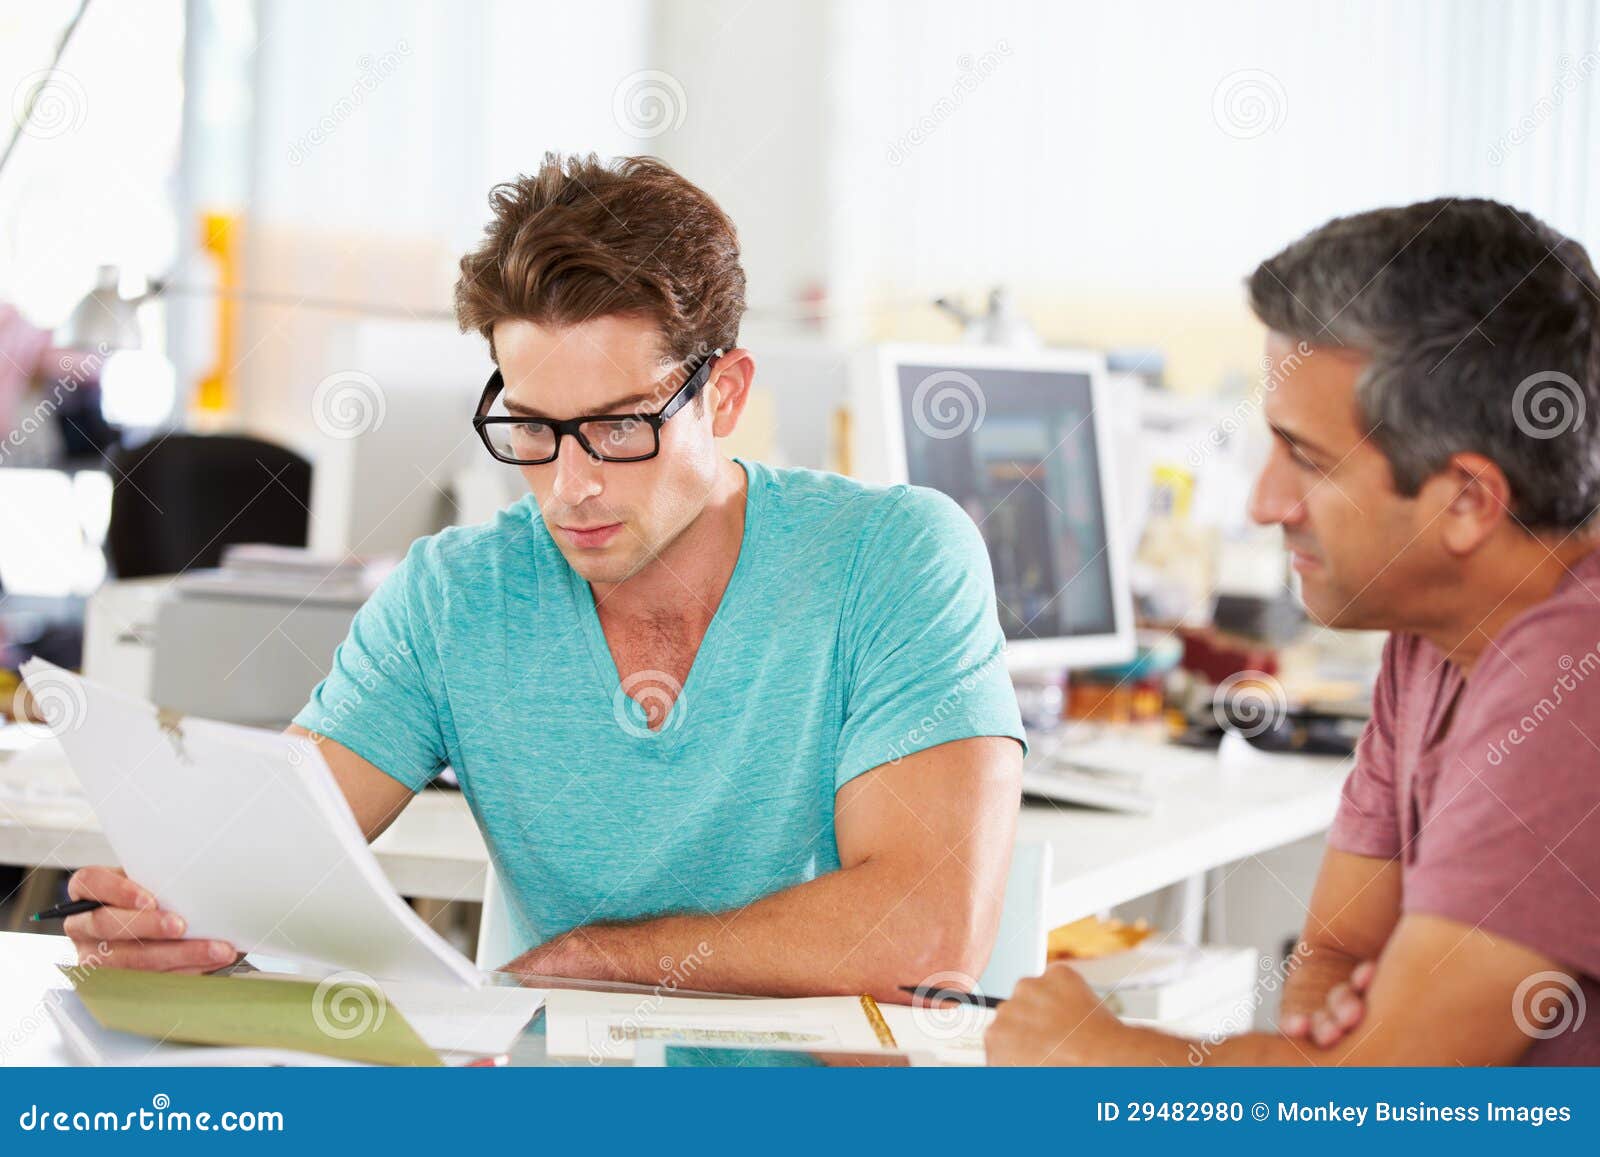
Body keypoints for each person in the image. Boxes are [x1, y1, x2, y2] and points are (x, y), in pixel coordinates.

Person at [64, 154, 1026, 1000]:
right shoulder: (454, 595)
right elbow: (276, 852)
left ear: (724, 393)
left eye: (619, 427)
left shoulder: (893, 557)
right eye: (531, 427)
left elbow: (926, 932)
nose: (570, 488)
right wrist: (179, 911)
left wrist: (595, 958)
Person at [987, 198, 1600, 1065]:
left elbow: (1368, 1110)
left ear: (1465, 500)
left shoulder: (1575, 677)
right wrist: (1342, 1043)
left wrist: (1089, 1051)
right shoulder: (1434, 631)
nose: (1264, 503)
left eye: (1306, 459)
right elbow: (1335, 957)